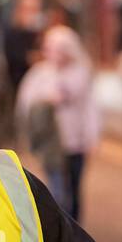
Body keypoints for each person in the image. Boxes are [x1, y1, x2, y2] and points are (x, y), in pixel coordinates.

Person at [15, 25, 99, 221]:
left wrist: (92, 137)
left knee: (74, 188)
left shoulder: (82, 73)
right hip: (51, 144)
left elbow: (90, 109)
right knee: (57, 191)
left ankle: (75, 231)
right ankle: (61, 230)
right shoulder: (40, 74)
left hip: (75, 143)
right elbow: (25, 104)